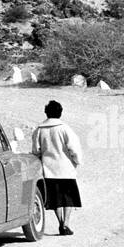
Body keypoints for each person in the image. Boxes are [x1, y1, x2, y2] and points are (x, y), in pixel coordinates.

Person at [31, 99, 82, 235]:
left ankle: (61, 223)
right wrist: (76, 161)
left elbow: (36, 150)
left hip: (49, 170)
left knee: (56, 199)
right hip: (66, 168)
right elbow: (74, 148)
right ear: (60, 113)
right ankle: (66, 224)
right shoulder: (65, 128)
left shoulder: (39, 129)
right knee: (68, 198)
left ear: (46, 113)